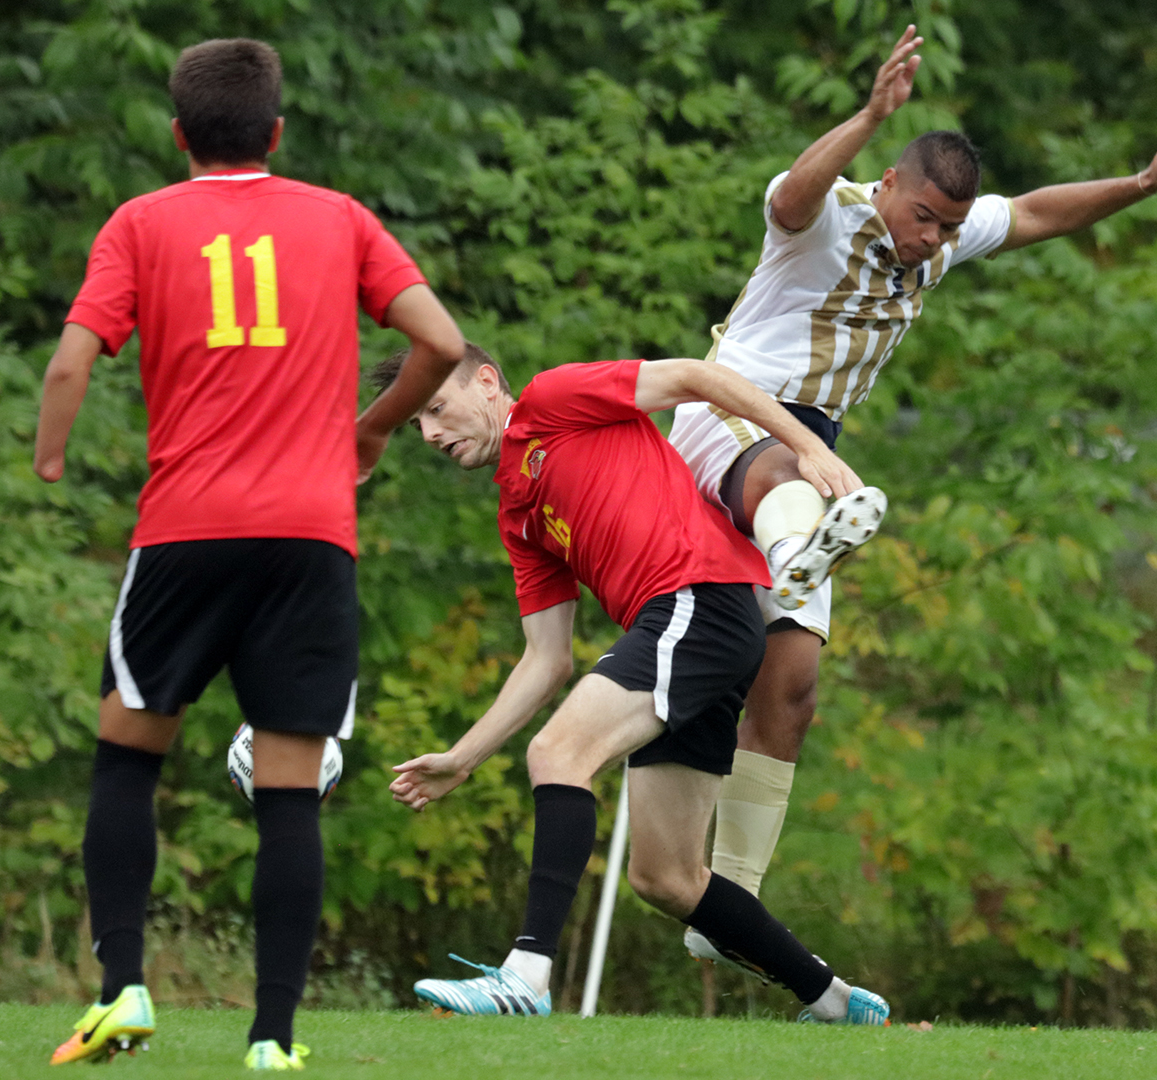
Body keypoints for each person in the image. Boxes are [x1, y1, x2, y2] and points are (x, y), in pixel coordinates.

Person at [669, 24, 1157, 971]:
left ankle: (728, 902)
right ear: (888, 183)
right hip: (730, 411)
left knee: (791, 689)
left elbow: (1037, 212)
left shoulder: (939, 246)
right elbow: (792, 193)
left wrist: (1140, 184)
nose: (930, 237)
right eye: (921, 215)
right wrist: (868, 114)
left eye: (947, 227)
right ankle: (799, 545)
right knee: (786, 482)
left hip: (816, 458)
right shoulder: (828, 217)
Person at [31, 38, 465, 1071]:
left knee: (126, 760)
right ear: (276, 131)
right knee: (288, 791)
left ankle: (122, 991)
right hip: (310, 538)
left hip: (184, 532)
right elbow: (443, 343)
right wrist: (372, 428)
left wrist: (50, 458)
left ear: (178, 133)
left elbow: (70, 362)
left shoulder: (141, 223)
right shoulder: (340, 218)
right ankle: (272, 1039)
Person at [371, 346, 890, 1024]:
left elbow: (695, 377)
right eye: (417, 423)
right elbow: (545, 659)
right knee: (665, 878)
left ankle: (525, 977)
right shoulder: (519, 516)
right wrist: (460, 759)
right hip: (700, 631)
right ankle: (837, 1004)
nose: (430, 433)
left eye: (436, 409)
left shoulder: (554, 400)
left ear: (489, 383)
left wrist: (807, 447)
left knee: (558, 753)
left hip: (698, 601)